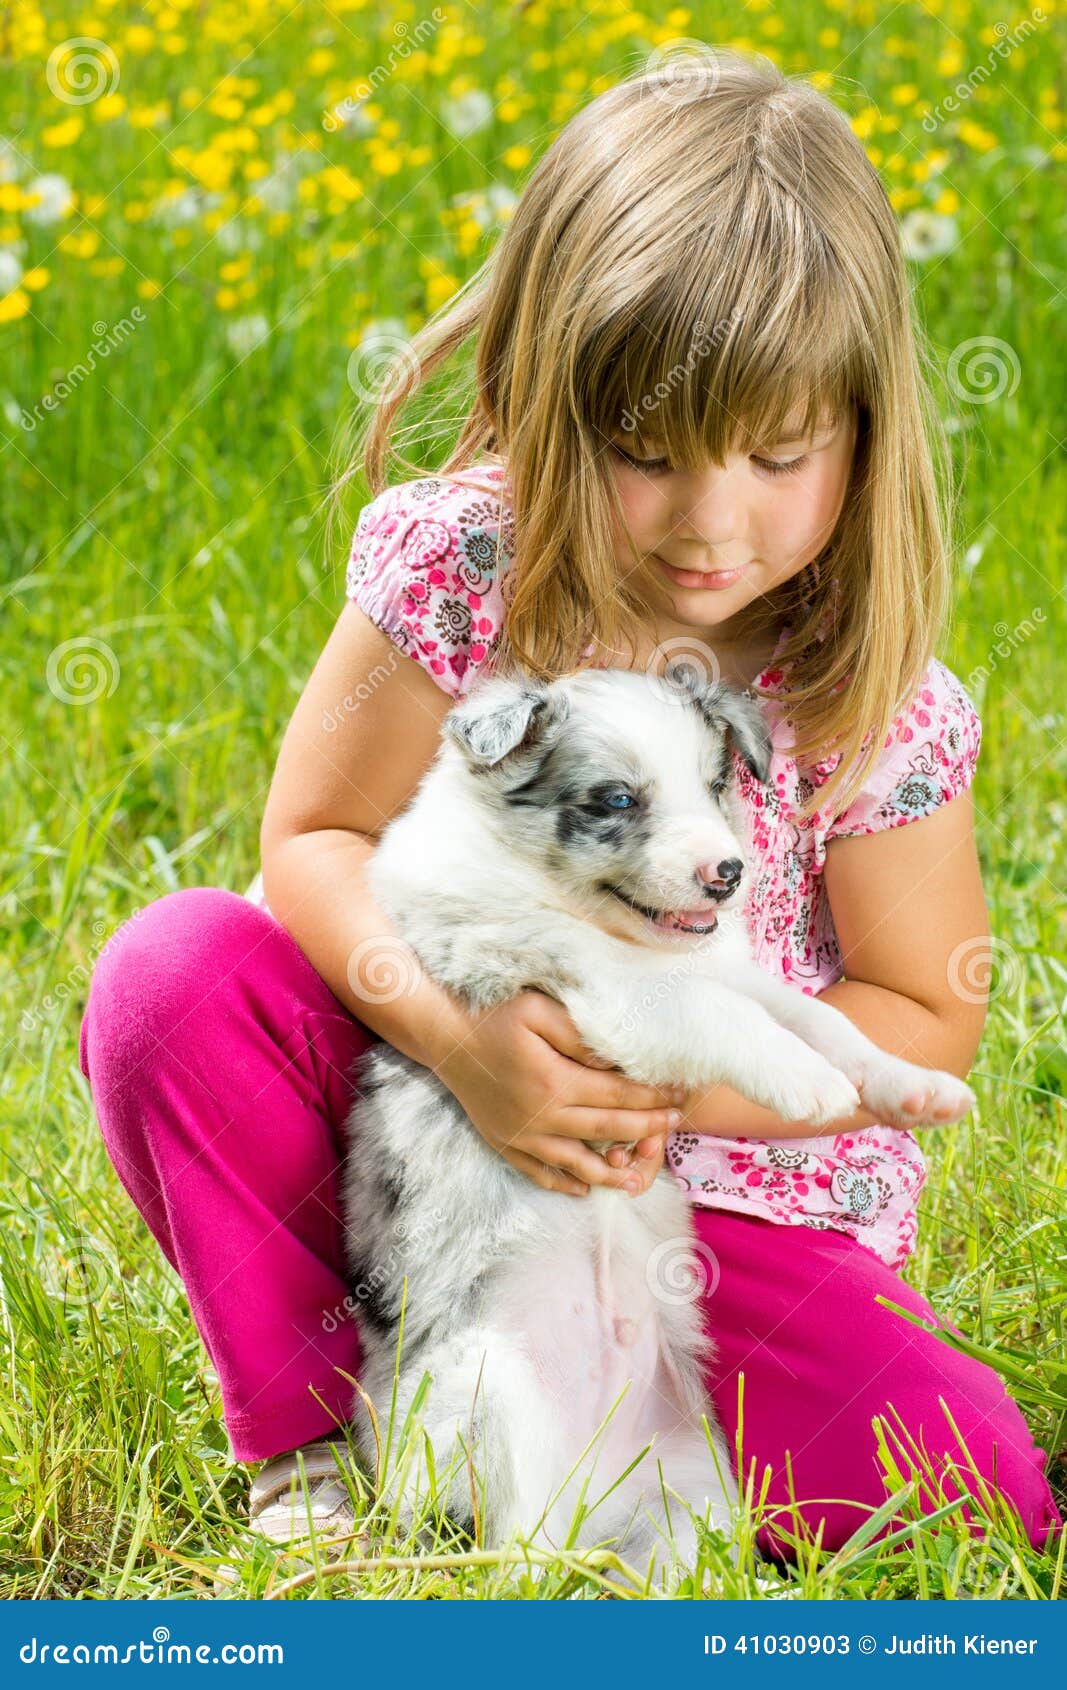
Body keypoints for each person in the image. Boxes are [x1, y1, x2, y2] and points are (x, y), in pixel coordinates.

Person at [78, 51, 1061, 1561]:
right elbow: (315, 846)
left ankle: (596, 1437)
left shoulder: (870, 692)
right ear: (543, 399)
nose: (707, 517)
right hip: (424, 1151)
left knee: (971, 1483)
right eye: (641, 452)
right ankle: (317, 1426)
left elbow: (923, 1010)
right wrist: (473, 1049)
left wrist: (634, 1088)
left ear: (866, 437)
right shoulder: (465, 572)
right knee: (174, 980)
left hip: (724, 1215)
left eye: (779, 453)